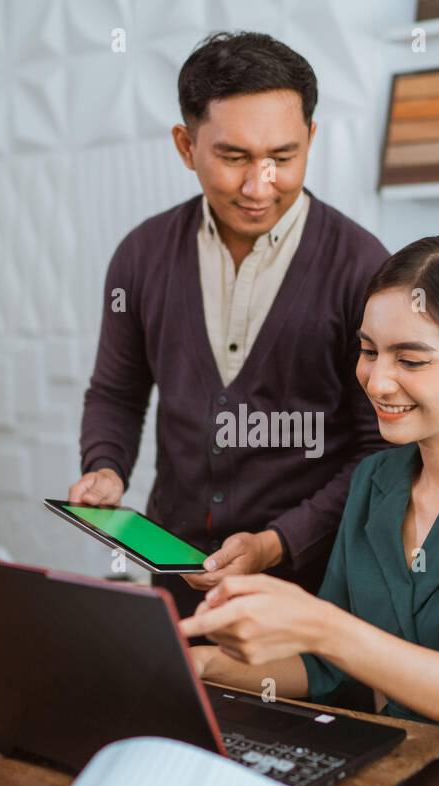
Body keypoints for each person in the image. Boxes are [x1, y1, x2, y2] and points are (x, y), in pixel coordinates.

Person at [179, 236, 439, 754]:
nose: (376, 382)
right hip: (412, 759)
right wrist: (195, 663)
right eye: (370, 352)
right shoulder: (375, 479)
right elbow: (324, 668)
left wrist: (320, 625)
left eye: (411, 361)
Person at [70, 31, 388, 617]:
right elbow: (116, 393)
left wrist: (277, 543)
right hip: (179, 581)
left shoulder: (364, 269)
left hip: (317, 595)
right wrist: (106, 468)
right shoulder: (139, 258)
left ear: (311, 140)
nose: (258, 185)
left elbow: (381, 453)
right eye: (234, 157)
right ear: (185, 145)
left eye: (283, 158)